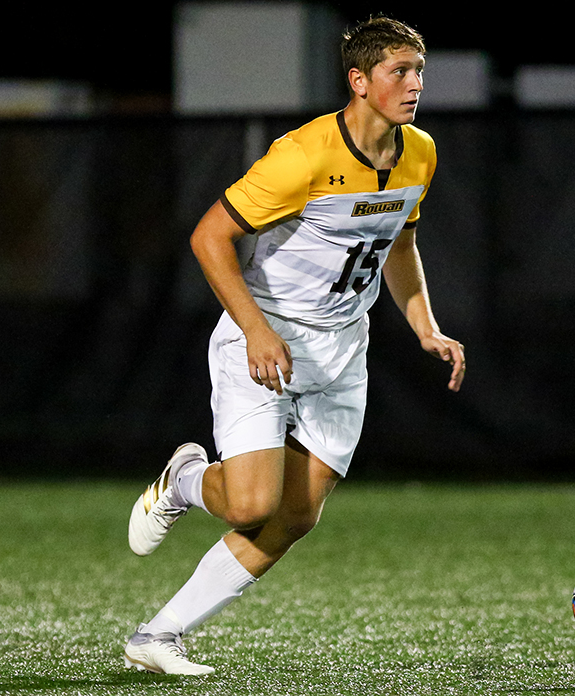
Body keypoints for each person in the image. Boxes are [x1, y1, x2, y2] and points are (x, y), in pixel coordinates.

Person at [123, 15, 466, 676]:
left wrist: (424, 324)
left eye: (420, 70)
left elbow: (399, 242)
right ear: (359, 81)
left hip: (343, 352)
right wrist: (256, 328)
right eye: (400, 70)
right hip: (267, 340)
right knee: (253, 504)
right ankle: (185, 479)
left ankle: (157, 637)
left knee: (294, 518)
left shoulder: (418, 150)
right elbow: (207, 238)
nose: (415, 83)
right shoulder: (304, 156)